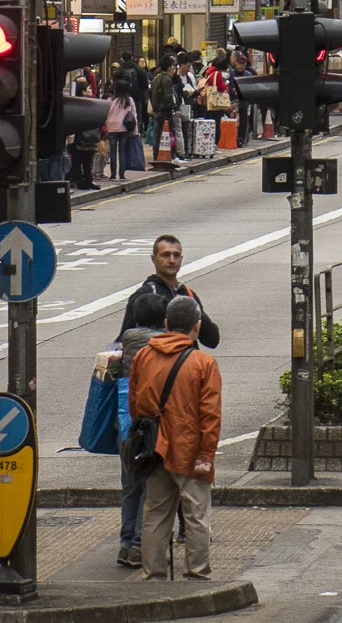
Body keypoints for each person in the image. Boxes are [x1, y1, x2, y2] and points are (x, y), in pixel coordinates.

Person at [113, 236, 220, 567]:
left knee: (158, 501)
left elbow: (213, 337)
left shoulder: (186, 294)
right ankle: (145, 551)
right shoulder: (144, 299)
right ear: (154, 259)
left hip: (165, 417)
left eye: (176, 255)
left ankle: (154, 567)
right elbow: (128, 366)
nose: (171, 260)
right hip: (163, 422)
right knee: (157, 496)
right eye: (165, 255)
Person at [130, 293, 221, 581]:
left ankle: (153, 574)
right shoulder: (203, 363)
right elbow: (210, 415)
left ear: (167, 323)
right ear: (196, 327)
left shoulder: (144, 355)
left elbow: (135, 404)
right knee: (196, 516)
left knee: (155, 513)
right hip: (190, 450)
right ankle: (196, 573)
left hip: (154, 448)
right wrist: (206, 455)